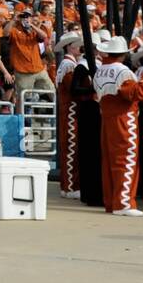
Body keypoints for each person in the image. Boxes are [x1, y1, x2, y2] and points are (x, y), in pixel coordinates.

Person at [94, 35, 143, 217]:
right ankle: (124, 203)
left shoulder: (100, 70)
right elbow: (135, 93)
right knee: (125, 160)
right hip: (124, 119)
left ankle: (112, 202)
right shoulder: (122, 71)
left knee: (110, 161)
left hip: (108, 119)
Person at [54, 32, 84, 199]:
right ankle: (71, 186)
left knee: (68, 148)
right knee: (72, 147)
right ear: (70, 46)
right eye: (77, 45)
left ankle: (67, 185)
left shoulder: (65, 64)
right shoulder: (69, 65)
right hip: (71, 110)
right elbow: (72, 90)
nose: (80, 47)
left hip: (67, 110)